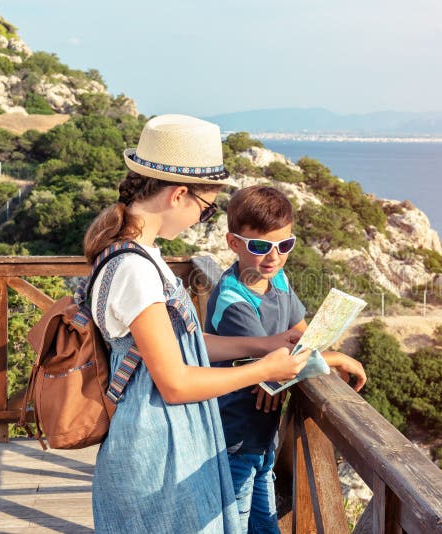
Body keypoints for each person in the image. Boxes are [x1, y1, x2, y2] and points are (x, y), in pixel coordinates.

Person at [84, 115, 310, 533]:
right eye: (205, 211)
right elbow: (175, 383)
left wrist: (265, 345)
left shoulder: (137, 254)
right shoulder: (136, 269)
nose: (199, 221)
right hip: (156, 451)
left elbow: (184, 345)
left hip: (160, 441)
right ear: (179, 195)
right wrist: (264, 371)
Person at [206, 185, 367, 533]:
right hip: (235, 435)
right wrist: (334, 357)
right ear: (234, 243)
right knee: (232, 523)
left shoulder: (277, 278)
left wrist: (286, 368)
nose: (274, 257)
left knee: (262, 523)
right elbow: (284, 359)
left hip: (264, 433)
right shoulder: (233, 302)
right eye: (261, 246)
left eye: (285, 245)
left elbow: (302, 338)